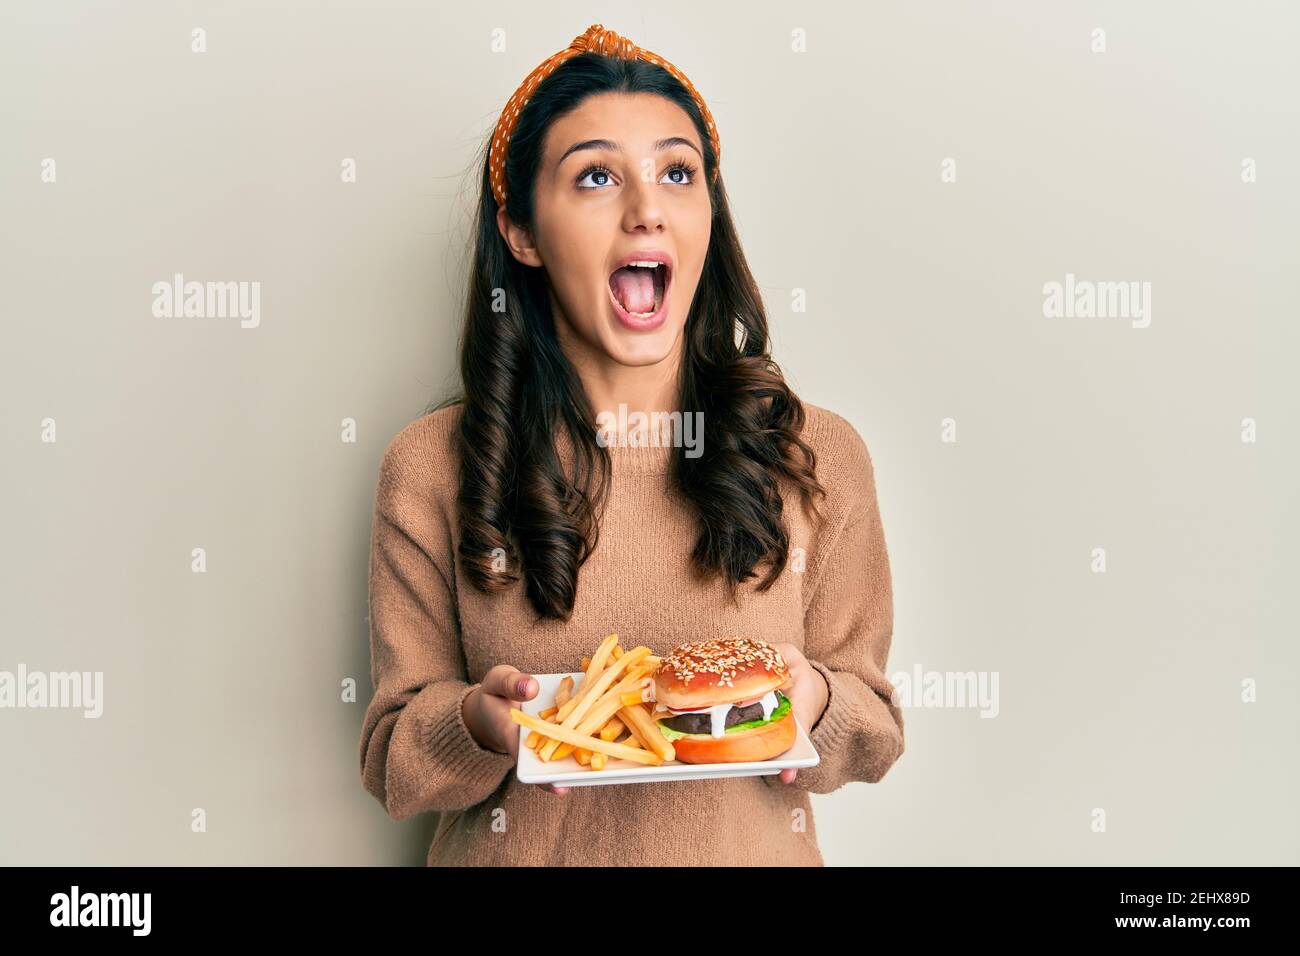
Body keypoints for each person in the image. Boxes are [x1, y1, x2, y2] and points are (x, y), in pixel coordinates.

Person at [359, 23, 904, 866]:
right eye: (598, 176)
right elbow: (394, 758)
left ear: (708, 216)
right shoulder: (431, 467)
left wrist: (814, 699)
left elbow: (872, 723)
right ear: (523, 234)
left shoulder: (817, 456)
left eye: (678, 173)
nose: (647, 207)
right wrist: (474, 722)